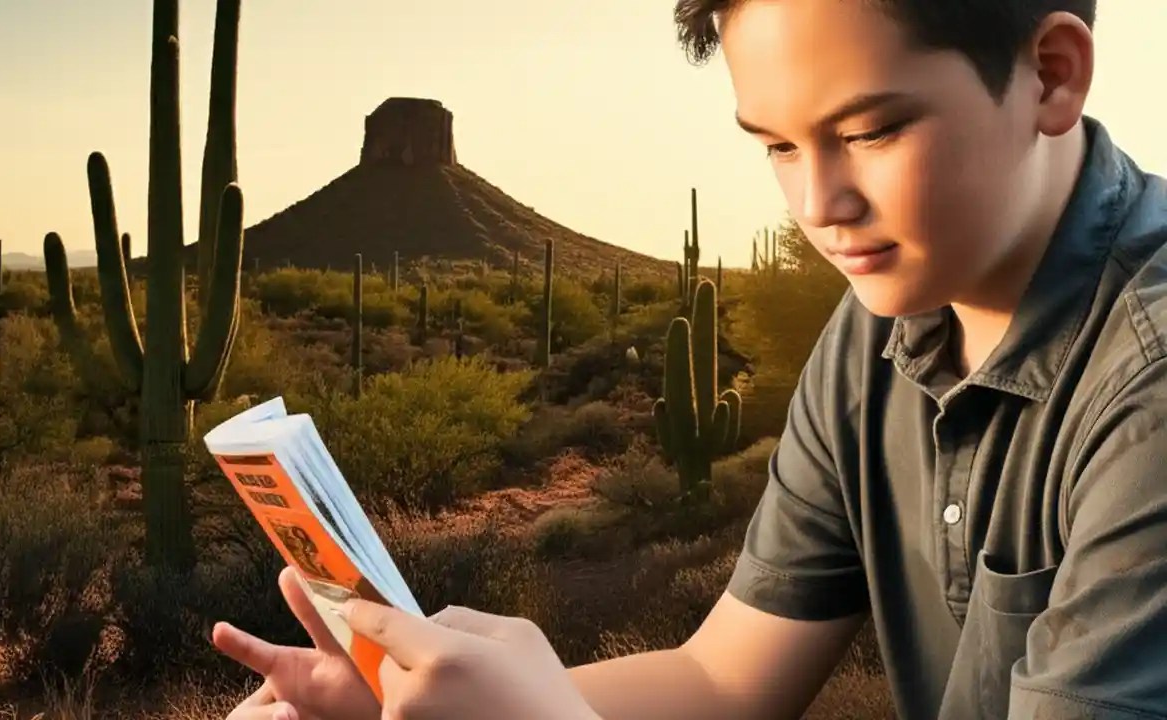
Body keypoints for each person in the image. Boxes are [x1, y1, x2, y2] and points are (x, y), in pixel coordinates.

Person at [212, 0, 1167, 717]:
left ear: (1050, 74)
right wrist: (417, 703)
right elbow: (724, 680)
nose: (818, 204)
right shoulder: (879, 323)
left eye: (869, 131)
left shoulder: (1150, 381)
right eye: (779, 147)